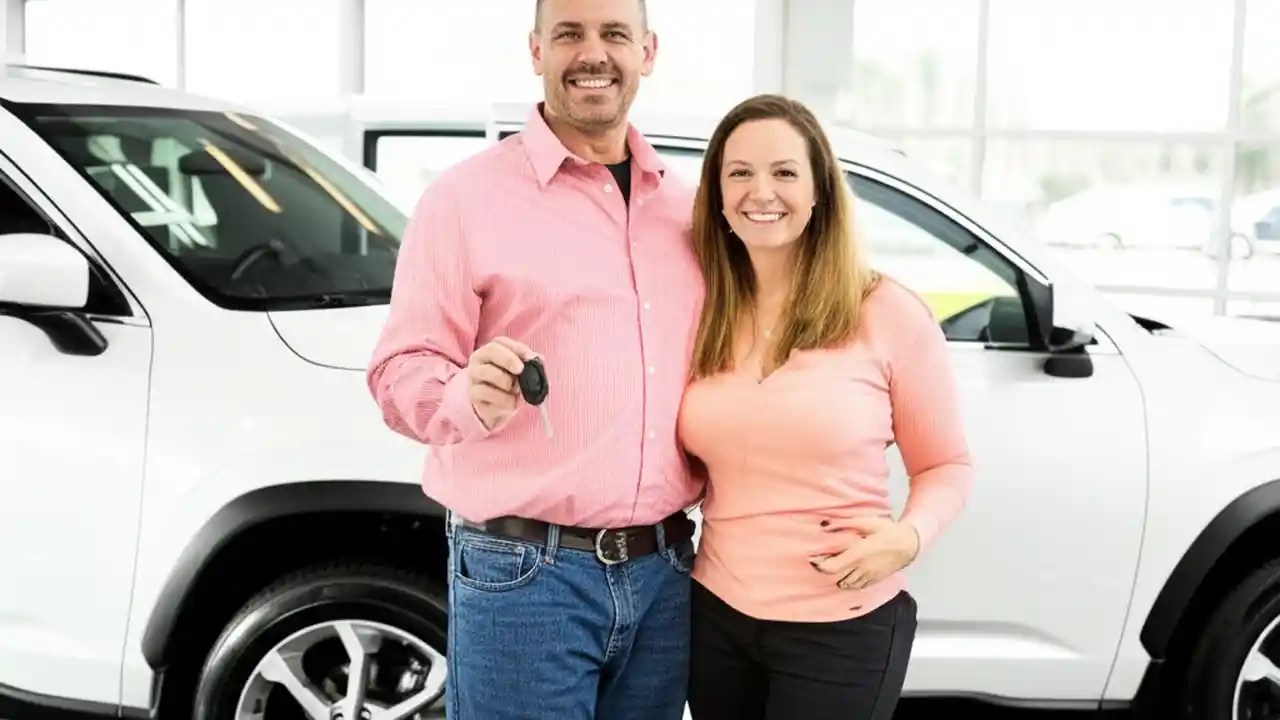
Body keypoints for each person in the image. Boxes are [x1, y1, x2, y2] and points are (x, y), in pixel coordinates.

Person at [365, 0, 704, 718]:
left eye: (614, 34)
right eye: (569, 35)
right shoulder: (464, 200)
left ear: (648, 51)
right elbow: (398, 373)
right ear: (535, 50)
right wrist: (462, 396)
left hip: (667, 572)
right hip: (525, 575)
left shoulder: (688, 210)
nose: (593, 54)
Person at [677, 93, 975, 719]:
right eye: (740, 173)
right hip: (716, 617)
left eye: (785, 172)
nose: (762, 192)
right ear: (718, 192)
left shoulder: (887, 312)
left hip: (841, 622)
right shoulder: (700, 310)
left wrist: (908, 537)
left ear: (820, 191)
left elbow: (946, 465)